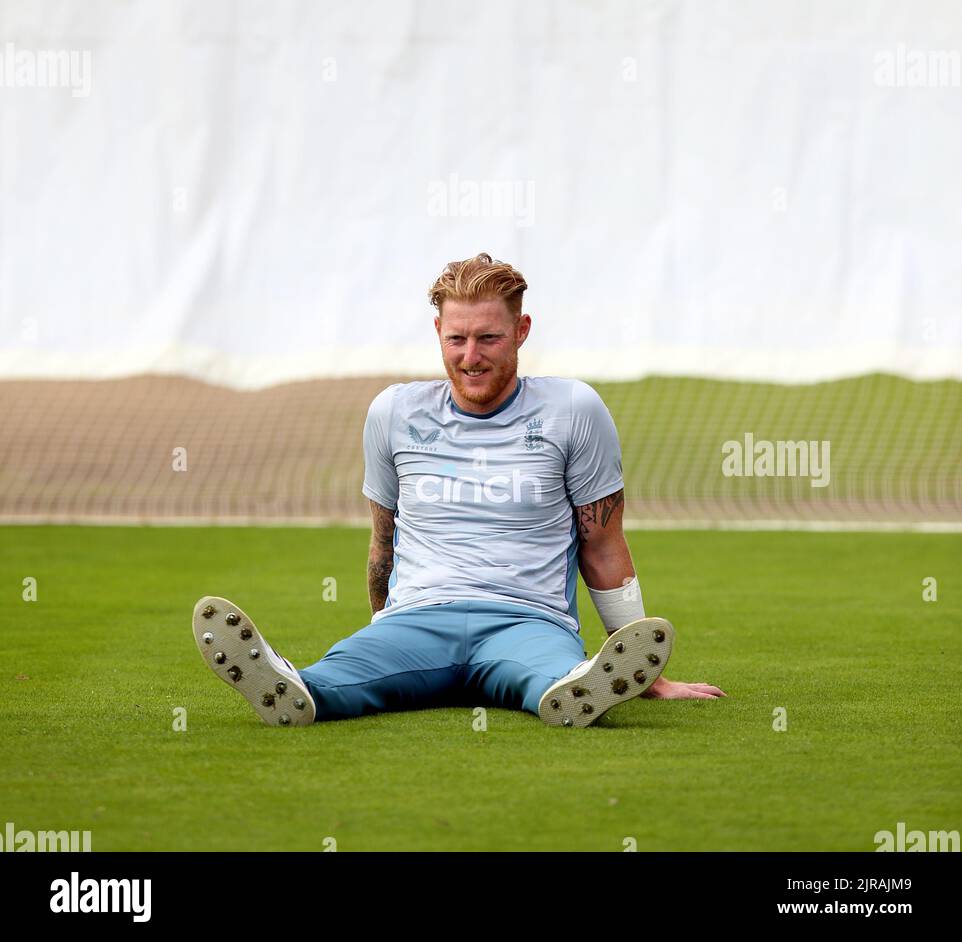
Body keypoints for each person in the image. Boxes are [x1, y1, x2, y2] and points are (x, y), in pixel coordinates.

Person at [193, 252, 726, 727]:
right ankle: (289, 686)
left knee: (552, 681)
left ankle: (585, 683)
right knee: (335, 681)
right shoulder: (394, 413)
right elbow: (384, 543)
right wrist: (384, 630)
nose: (471, 356)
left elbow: (603, 545)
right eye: (457, 338)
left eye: (489, 338)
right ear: (438, 332)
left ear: (521, 331)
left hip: (528, 619)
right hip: (418, 618)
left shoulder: (573, 410)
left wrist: (646, 674)